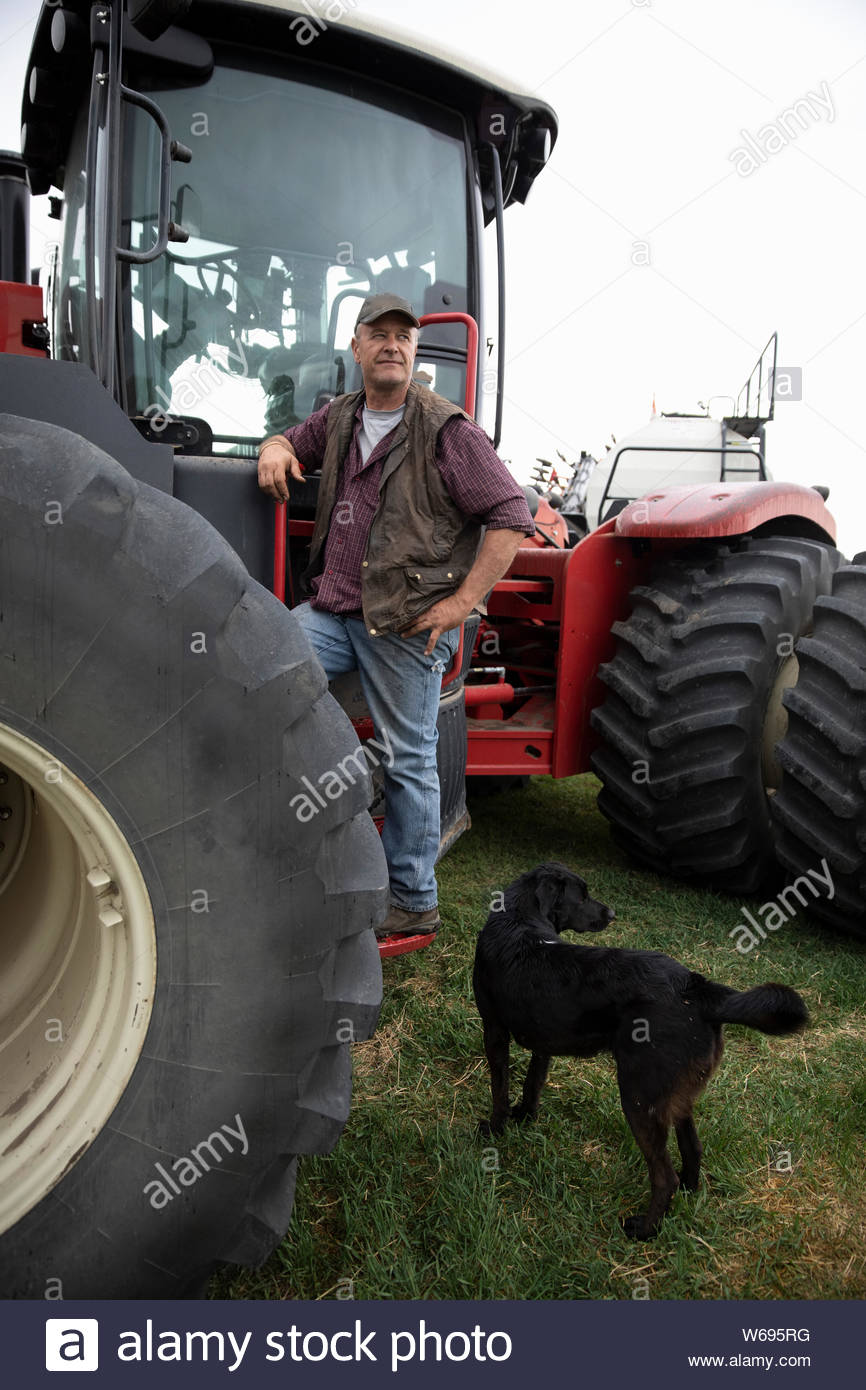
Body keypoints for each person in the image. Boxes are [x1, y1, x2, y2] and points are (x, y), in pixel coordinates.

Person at [257, 292, 534, 938]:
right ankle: (274, 844)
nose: (391, 344)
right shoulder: (340, 417)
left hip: (405, 624)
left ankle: (413, 895)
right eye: (377, 334)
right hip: (333, 612)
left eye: (402, 336)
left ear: (413, 350)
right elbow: (290, 442)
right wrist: (274, 446)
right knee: (259, 666)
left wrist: (462, 604)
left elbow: (511, 515)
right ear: (355, 348)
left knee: (409, 757)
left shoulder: (446, 428)